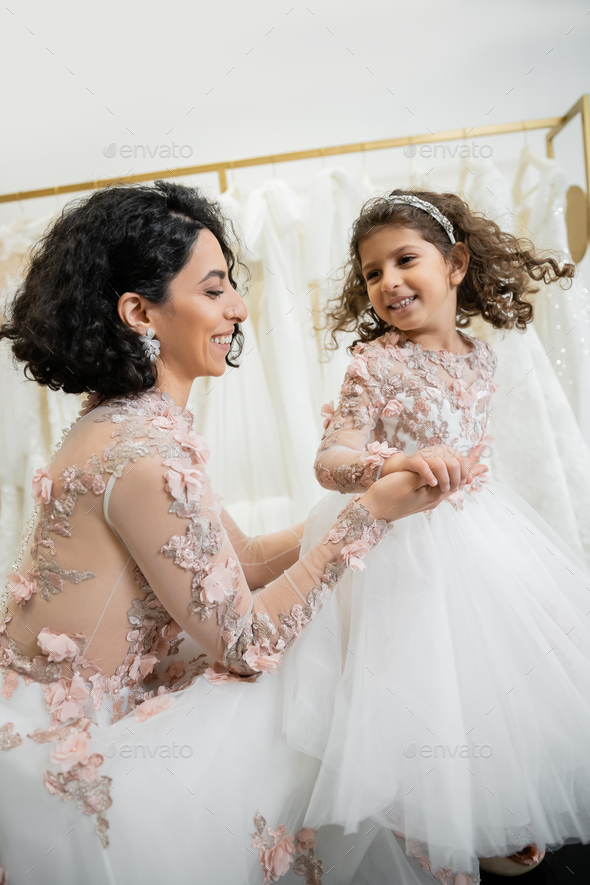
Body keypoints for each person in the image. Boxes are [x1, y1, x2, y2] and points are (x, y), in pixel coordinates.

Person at [0, 182, 471, 885]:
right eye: (215, 289)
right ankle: (436, 828)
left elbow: (242, 558)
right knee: (305, 674)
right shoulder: (144, 454)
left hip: (63, 705)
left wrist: (363, 501)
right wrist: (369, 515)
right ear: (139, 312)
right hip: (65, 758)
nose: (239, 309)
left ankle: (442, 822)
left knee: (325, 639)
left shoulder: (127, 422)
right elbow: (248, 642)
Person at [287, 189, 590, 882]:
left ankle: (488, 808)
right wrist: (394, 461)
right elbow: (329, 461)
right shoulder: (376, 362)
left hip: (479, 532)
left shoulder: (481, 357)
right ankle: (427, 826)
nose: (388, 281)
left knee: (486, 681)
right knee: (409, 690)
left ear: (455, 264)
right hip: (397, 547)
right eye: (371, 272)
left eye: (405, 259)